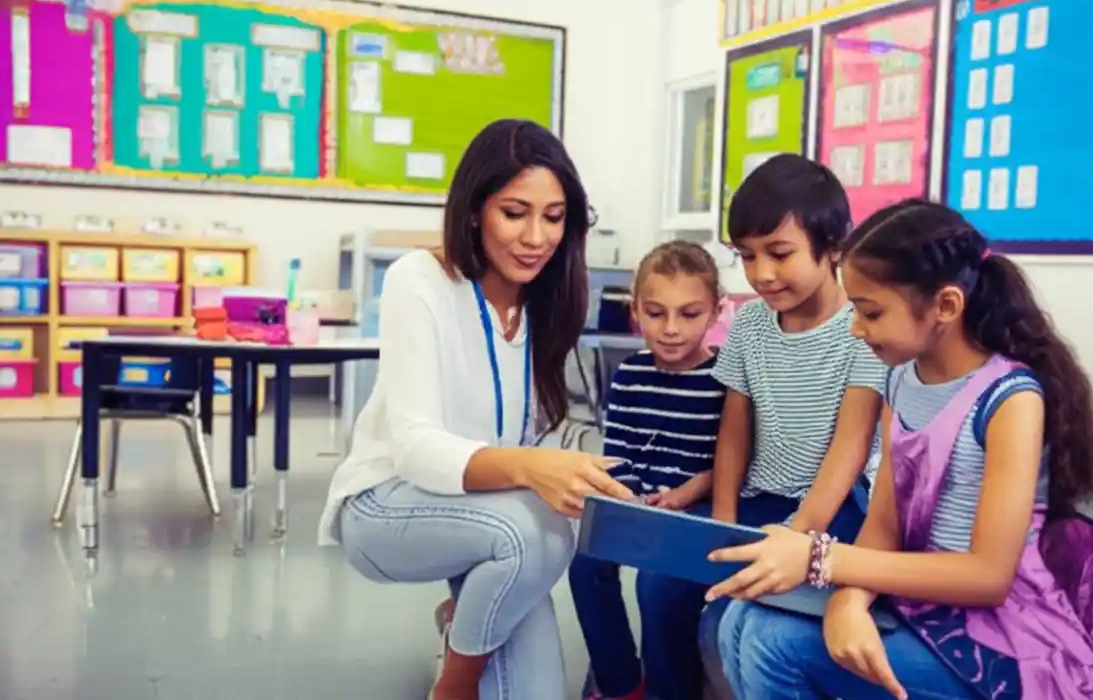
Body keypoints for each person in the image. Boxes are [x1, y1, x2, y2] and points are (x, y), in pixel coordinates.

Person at [709, 199, 1093, 699]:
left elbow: (987, 576)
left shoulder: (1010, 400)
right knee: (741, 618)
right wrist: (847, 602)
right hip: (918, 598)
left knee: (773, 644)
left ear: (946, 307)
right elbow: (885, 522)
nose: (856, 328)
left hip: (999, 634)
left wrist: (823, 560)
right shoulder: (901, 381)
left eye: (870, 312)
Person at [317, 119, 634, 700]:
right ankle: (455, 682)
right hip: (386, 505)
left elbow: (528, 431)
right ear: (474, 211)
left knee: (540, 676)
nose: (536, 236)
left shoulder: (548, 301)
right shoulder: (421, 280)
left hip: (492, 523)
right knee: (539, 535)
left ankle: (464, 616)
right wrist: (530, 470)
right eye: (515, 212)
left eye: (554, 217)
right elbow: (414, 448)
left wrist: (571, 475)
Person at [640, 154, 888, 699]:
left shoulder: (863, 327)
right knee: (659, 582)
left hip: (832, 512)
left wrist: (797, 536)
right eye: (747, 257)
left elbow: (849, 448)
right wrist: (722, 519)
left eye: (779, 254)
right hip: (755, 500)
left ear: (834, 247)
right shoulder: (751, 323)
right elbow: (733, 432)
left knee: (735, 609)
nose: (762, 274)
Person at [568, 240, 727, 700]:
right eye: (656, 314)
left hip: (693, 512)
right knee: (586, 563)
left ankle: (668, 689)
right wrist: (633, 501)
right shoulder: (629, 375)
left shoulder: (725, 381)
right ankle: (620, 684)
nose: (671, 329)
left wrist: (686, 493)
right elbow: (618, 456)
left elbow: (730, 464)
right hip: (637, 505)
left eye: (689, 314)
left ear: (716, 311)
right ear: (636, 310)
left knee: (656, 581)